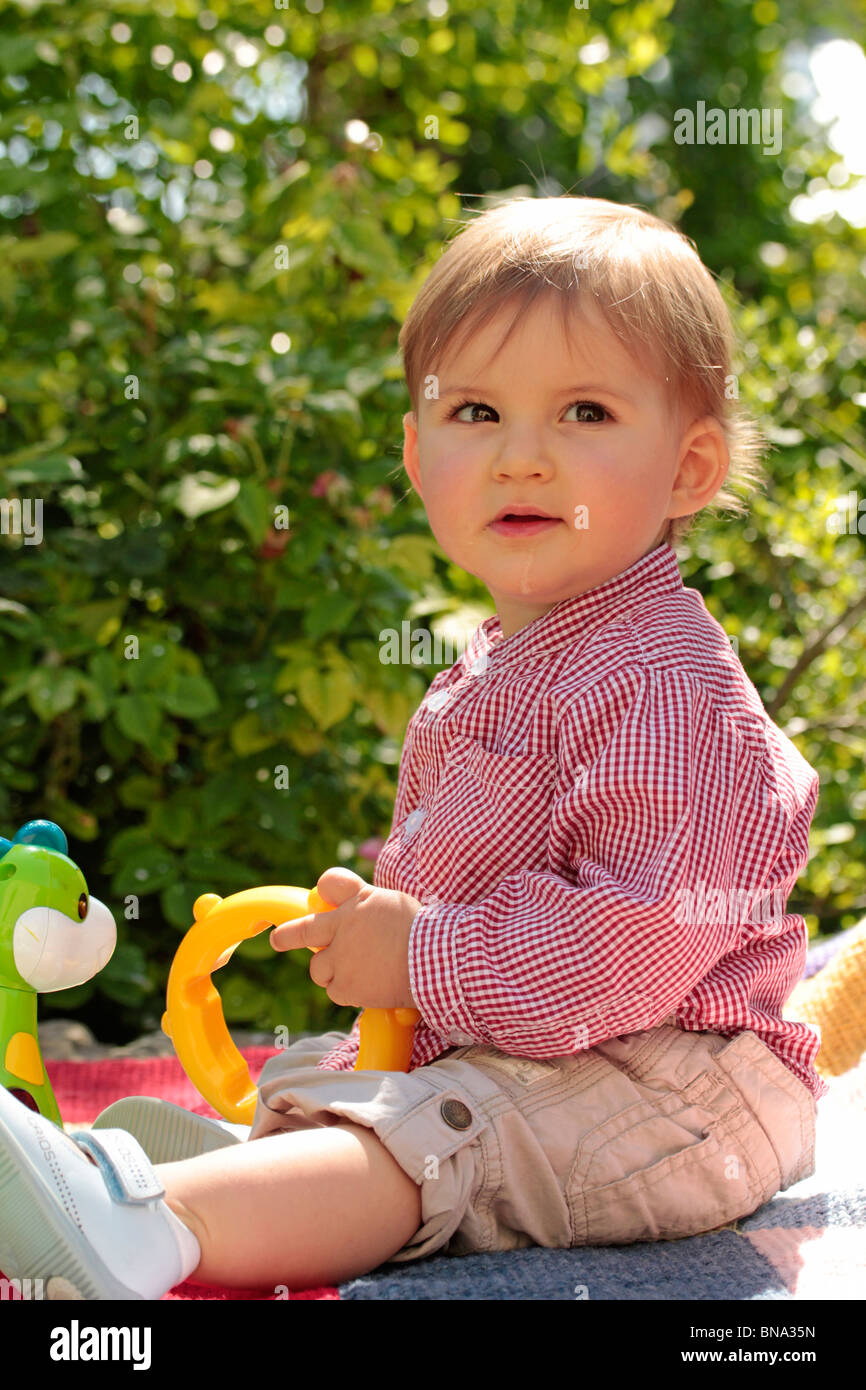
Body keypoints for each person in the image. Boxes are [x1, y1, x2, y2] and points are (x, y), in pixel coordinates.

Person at [0, 196, 824, 1300]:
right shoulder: (499, 666)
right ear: (414, 452)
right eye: (475, 411)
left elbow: (625, 954)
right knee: (343, 1074)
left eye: (582, 411)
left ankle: (162, 1223)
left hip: (675, 1084)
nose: (521, 457)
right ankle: (242, 1178)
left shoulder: (669, 690)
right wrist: (380, 931)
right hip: (543, 1051)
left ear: (687, 468)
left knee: (444, 1133)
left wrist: (422, 952)